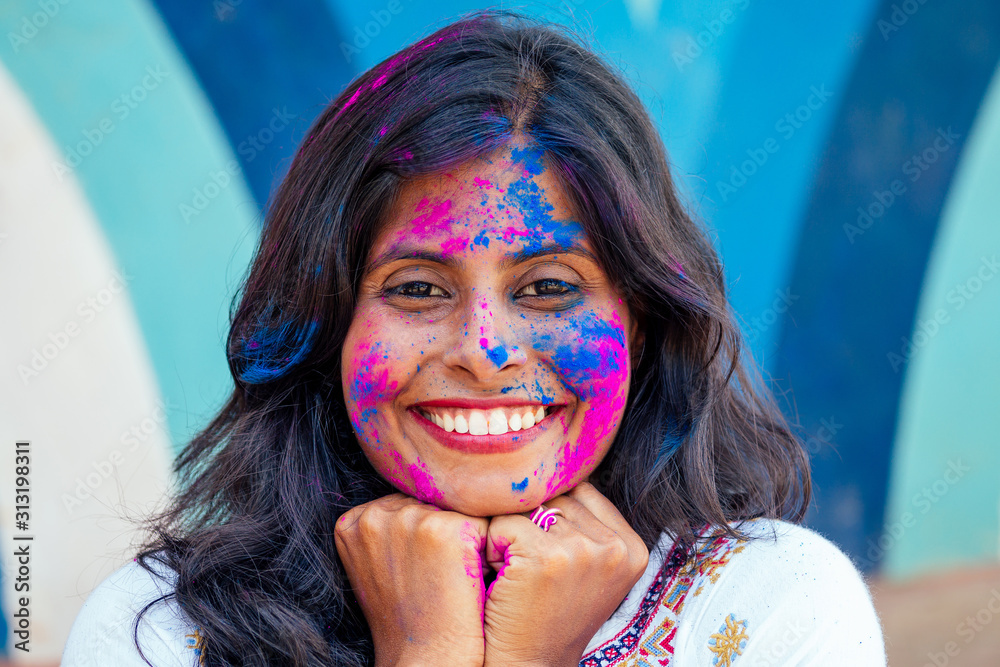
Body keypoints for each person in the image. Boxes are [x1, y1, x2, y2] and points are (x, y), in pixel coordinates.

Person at [62, 8, 886, 666]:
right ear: (327, 322)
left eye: (549, 288)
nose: (485, 351)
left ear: (640, 321)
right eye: (418, 289)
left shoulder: (773, 604)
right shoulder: (162, 631)